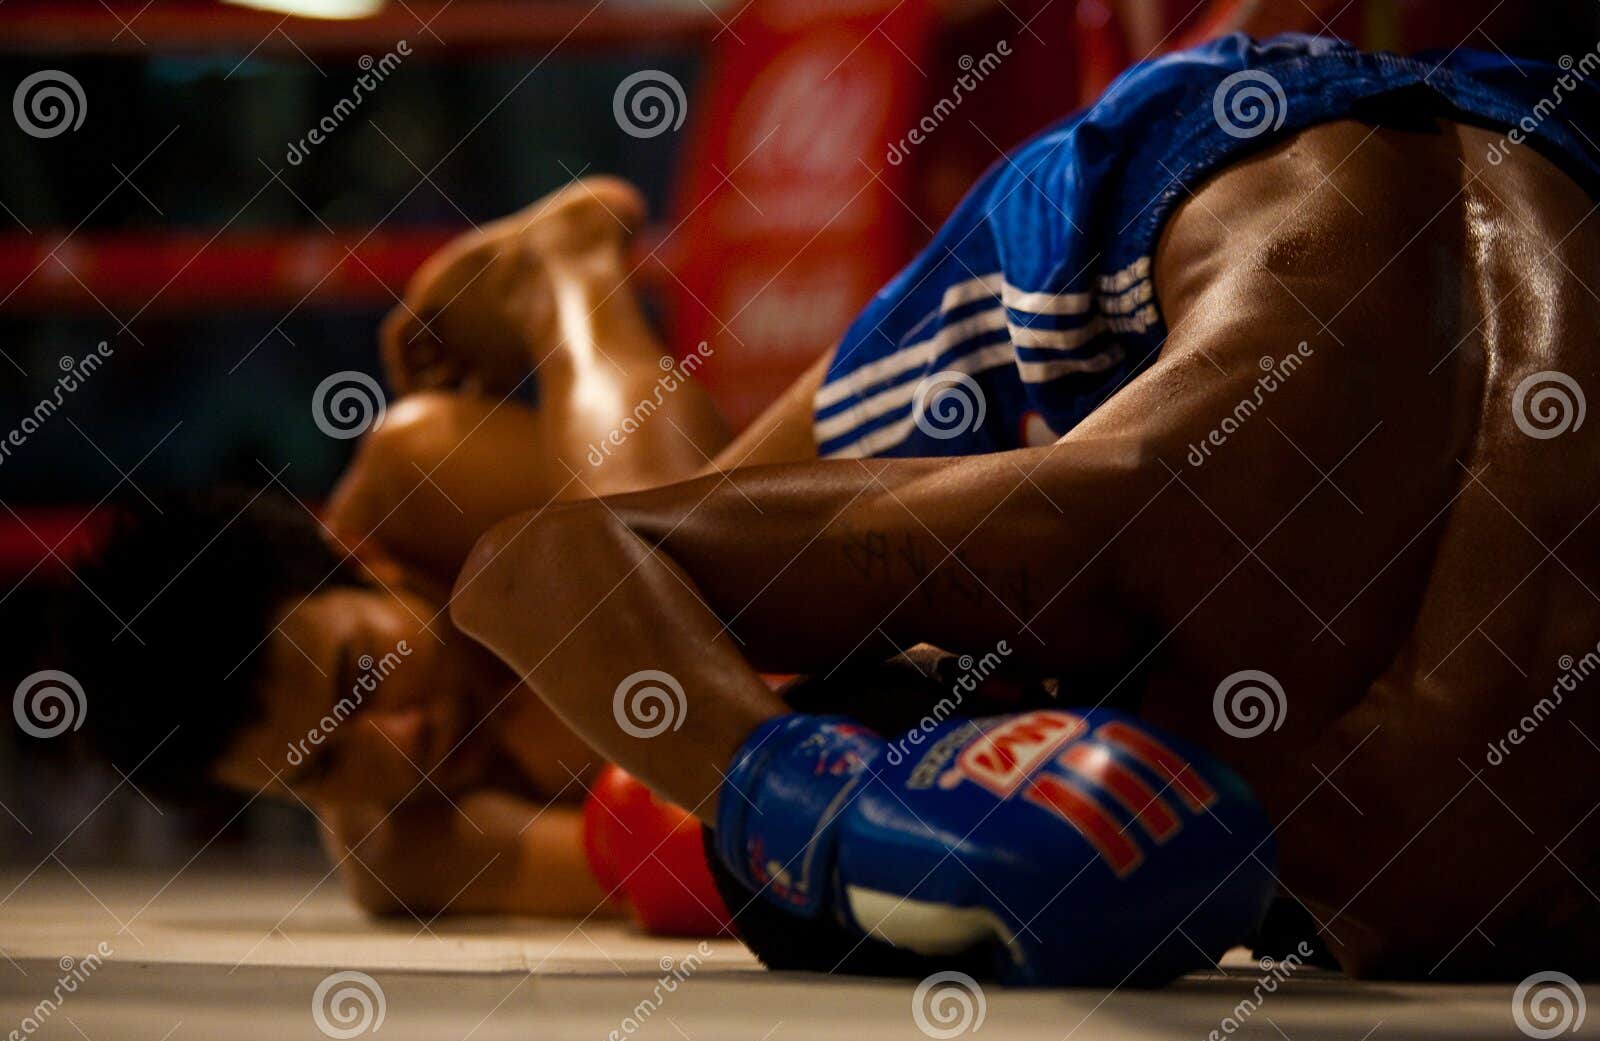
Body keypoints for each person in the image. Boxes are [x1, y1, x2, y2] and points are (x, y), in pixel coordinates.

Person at [70, 34, 1600, 983]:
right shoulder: (1140, 533)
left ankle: (570, 279)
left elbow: (616, 673)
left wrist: (843, 818)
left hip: (1187, 231)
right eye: (325, 766)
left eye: (357, 683)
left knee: (688, 567)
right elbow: (636, 840)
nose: (389, 746)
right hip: (1439, 191)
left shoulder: (412, 472)